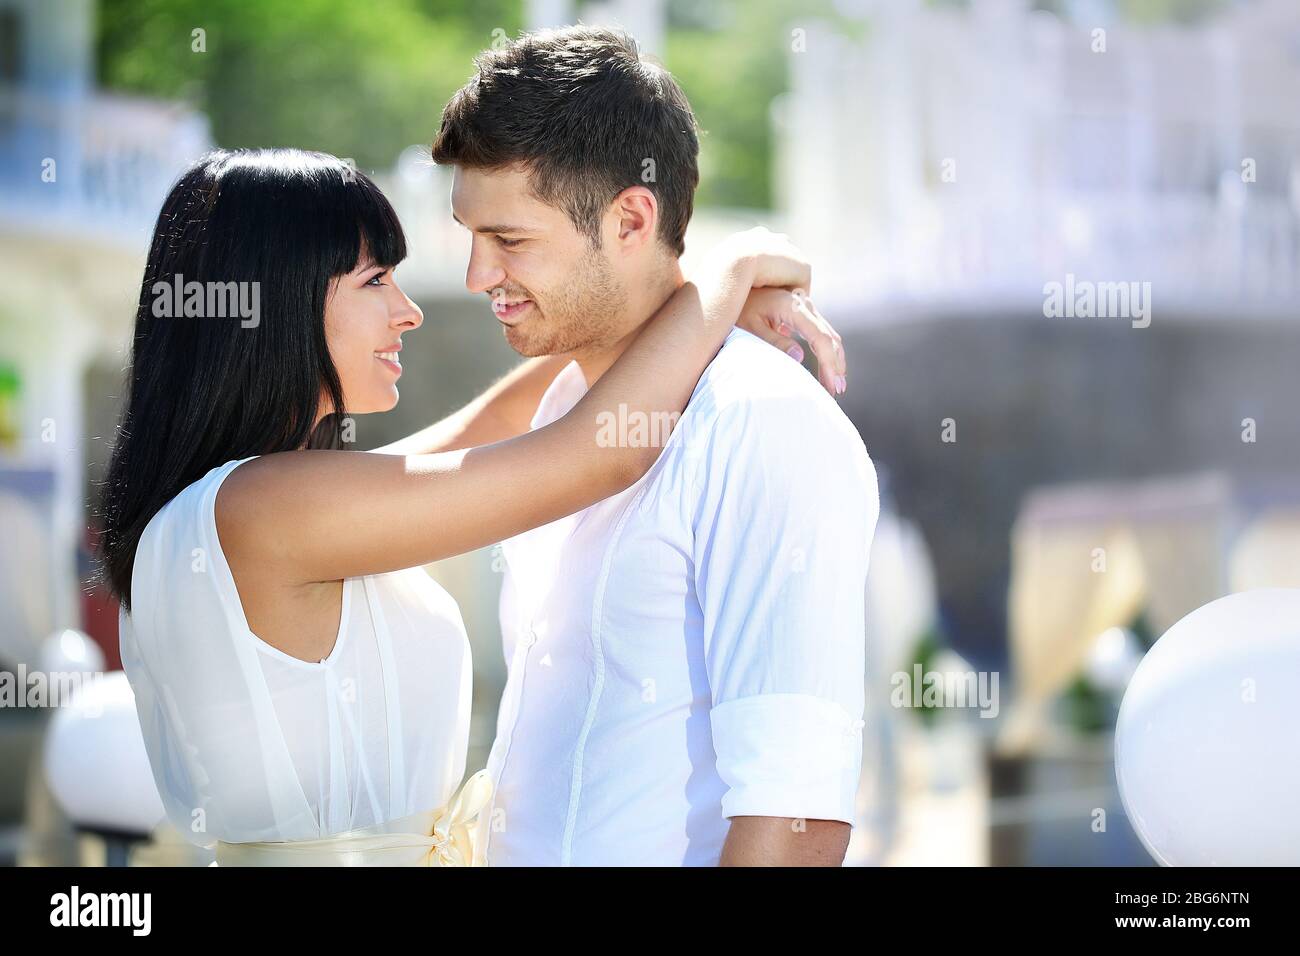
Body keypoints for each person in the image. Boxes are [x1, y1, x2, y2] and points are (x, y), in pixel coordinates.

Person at [99, 146, 839, 865]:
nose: (409, 311)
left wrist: (675, 306)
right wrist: (729, 273)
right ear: (279, 297)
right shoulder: (269, 508)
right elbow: (597, 451)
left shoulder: (231, 511)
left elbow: (498, 424)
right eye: (375, 281)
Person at [428, 26, 880, 866]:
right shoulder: (560, 411)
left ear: (632, 216)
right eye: (471, 237)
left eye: (510, 241)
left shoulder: (762, 424)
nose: (476, 277)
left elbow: (795, 819)